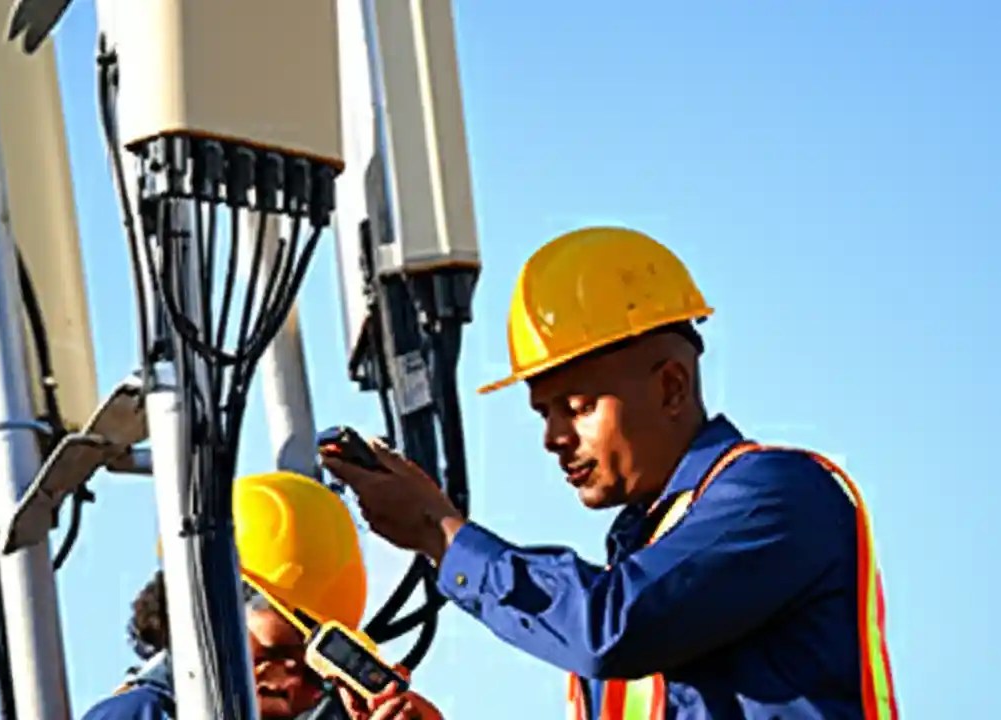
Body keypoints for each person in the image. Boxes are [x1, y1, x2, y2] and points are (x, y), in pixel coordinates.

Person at [320, 226, 900, 719]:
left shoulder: (777, 494)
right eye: (544, 414)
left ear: (672, 387)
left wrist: (439, 532)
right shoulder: (640, 559)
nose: (553, 438)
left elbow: (611, 628)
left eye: (577, 407)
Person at [81, 470, 444, 720]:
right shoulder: (137, 715)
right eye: (278, 652)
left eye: (315, 672)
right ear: (207, 607)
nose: (296, 682)